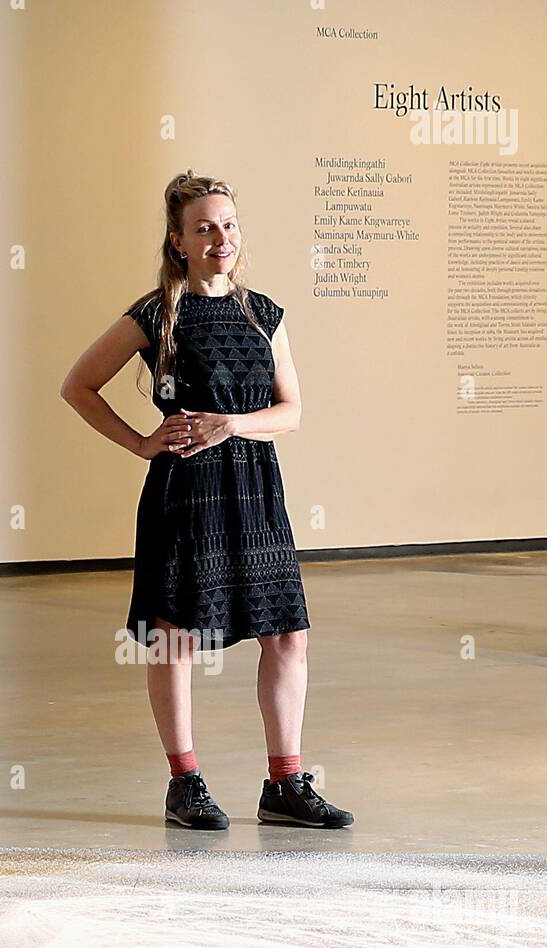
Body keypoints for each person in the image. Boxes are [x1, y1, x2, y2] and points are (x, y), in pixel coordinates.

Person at [60, 170, 353, 832]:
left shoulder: (263, 312)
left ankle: (285, 785)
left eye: (228, 224)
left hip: (255, 490)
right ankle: (184, 783)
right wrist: (139, 442)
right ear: (178, 241)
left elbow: (292, 412)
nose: (221, 237)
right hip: (185, 492)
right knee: (176, 640)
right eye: (204, 228)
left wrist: (232, 423)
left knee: (288, 637)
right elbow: (78, 384)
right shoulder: (156, 313)